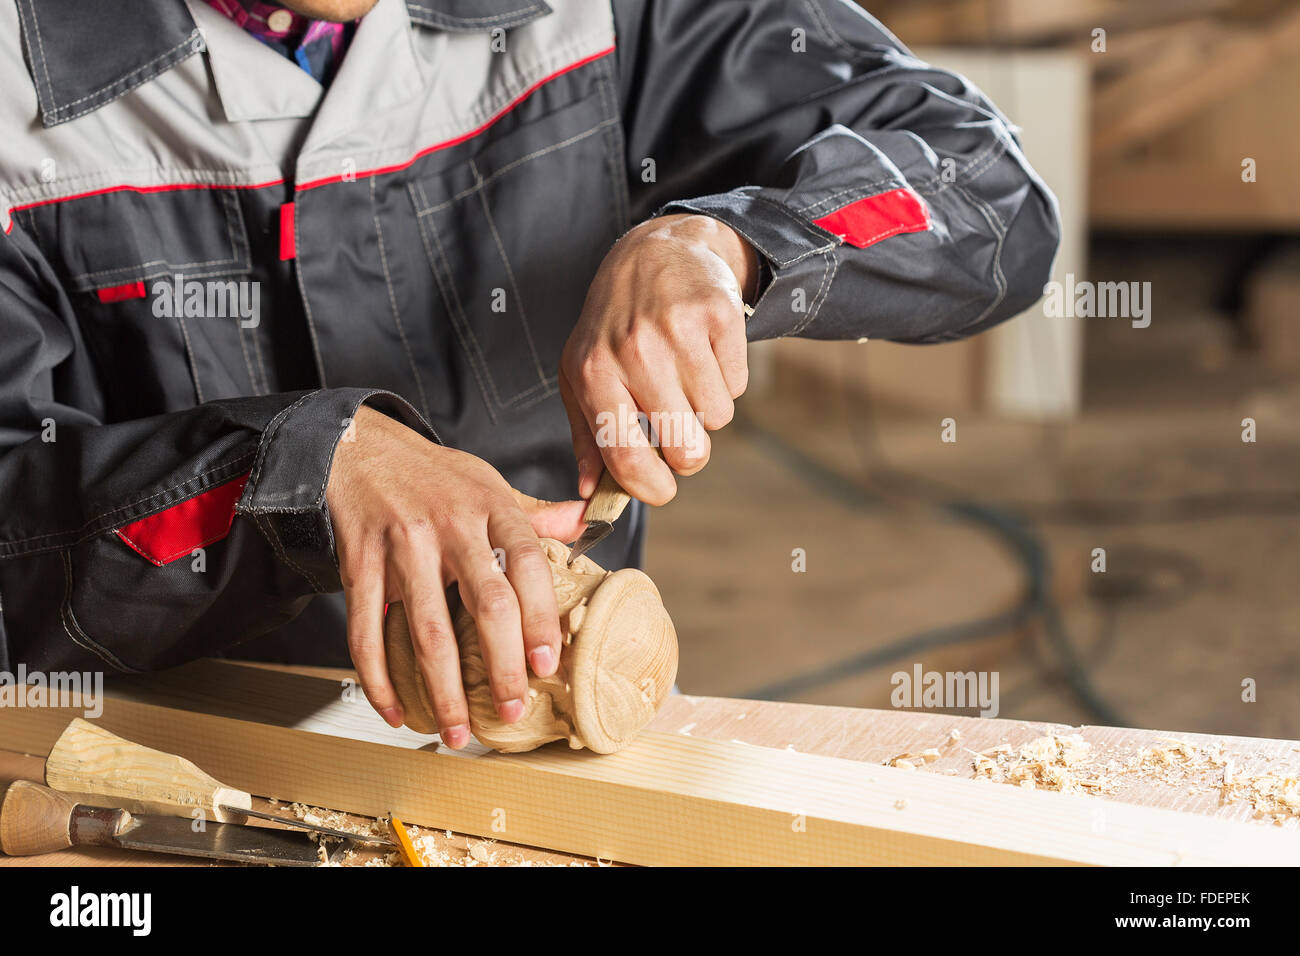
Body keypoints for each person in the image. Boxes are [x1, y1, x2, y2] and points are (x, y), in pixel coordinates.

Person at [0, 0, 1059, 747]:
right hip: (166, 775)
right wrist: (289, 471)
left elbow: (986, 184)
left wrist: (721, 244)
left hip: (571, 751)